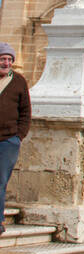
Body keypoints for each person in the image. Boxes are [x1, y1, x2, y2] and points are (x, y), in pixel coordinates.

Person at [0, 44, 30, 236]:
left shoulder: (18, 81)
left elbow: (25, 111)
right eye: (3, 59)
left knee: (0, 181)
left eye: (10, 59)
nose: (6, 63)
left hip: (8, 140)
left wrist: (18, 136)